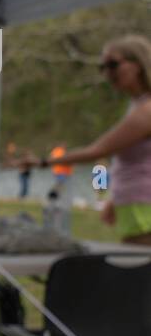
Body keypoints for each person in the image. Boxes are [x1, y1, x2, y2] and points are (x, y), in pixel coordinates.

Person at [43, 35, 151, 245]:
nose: (107, 73)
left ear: (138, 64)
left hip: (143, 204)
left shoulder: (146, 111)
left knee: (140, 273)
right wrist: (114, 199)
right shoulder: (137, 105)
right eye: (102, 67)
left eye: (113, 65)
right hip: (135, 201)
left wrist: (40, 162)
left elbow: (98, 150)